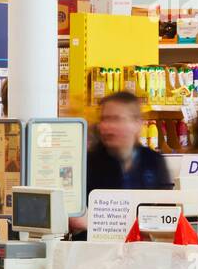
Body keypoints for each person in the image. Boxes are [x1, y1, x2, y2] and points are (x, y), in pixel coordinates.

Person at [73, 91, 172, 235]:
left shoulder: (154, 162)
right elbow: (78, 221)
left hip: (142, 248)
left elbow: (165, 214)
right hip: (97, 251)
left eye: (115, 119)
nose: (107, 126)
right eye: (104, 119)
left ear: (137, 124)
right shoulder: (87, 164)